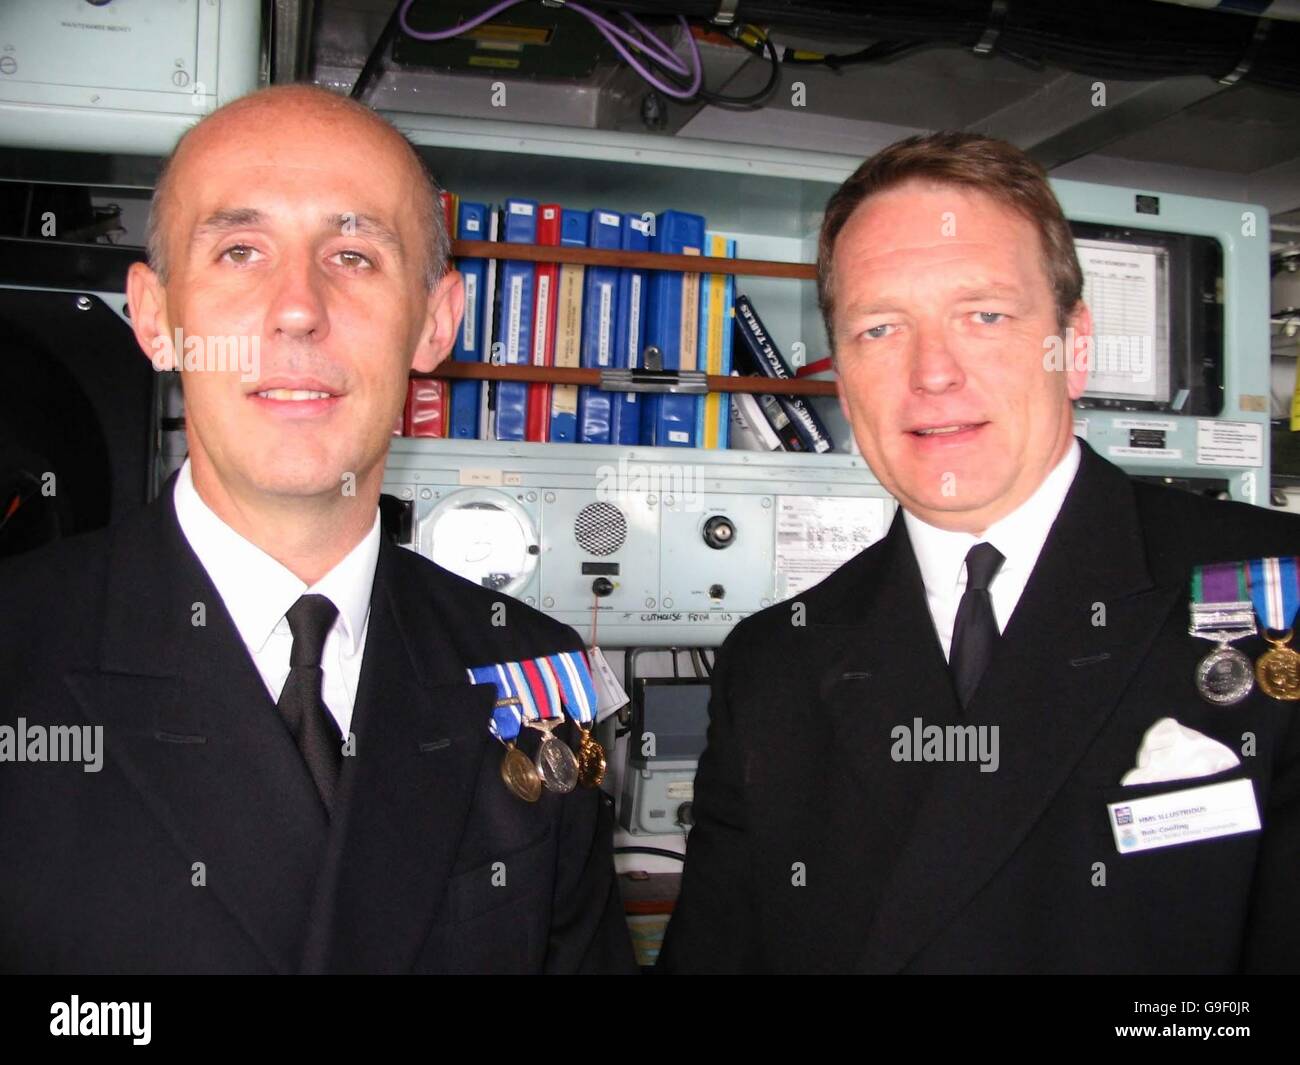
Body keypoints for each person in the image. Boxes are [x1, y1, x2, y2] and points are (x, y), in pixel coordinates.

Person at [0, 85, 635, 974]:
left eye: (353, 254)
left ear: (436, 320)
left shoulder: (537, 672)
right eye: (240, 249)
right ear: (154, 318)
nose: (297, 307)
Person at [659, 131, 1300, 973]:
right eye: (881, 328)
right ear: (843, 377)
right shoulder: (772, 663)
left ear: (1074, 347)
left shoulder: (1275, 593)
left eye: (985, 315)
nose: (932, 372)